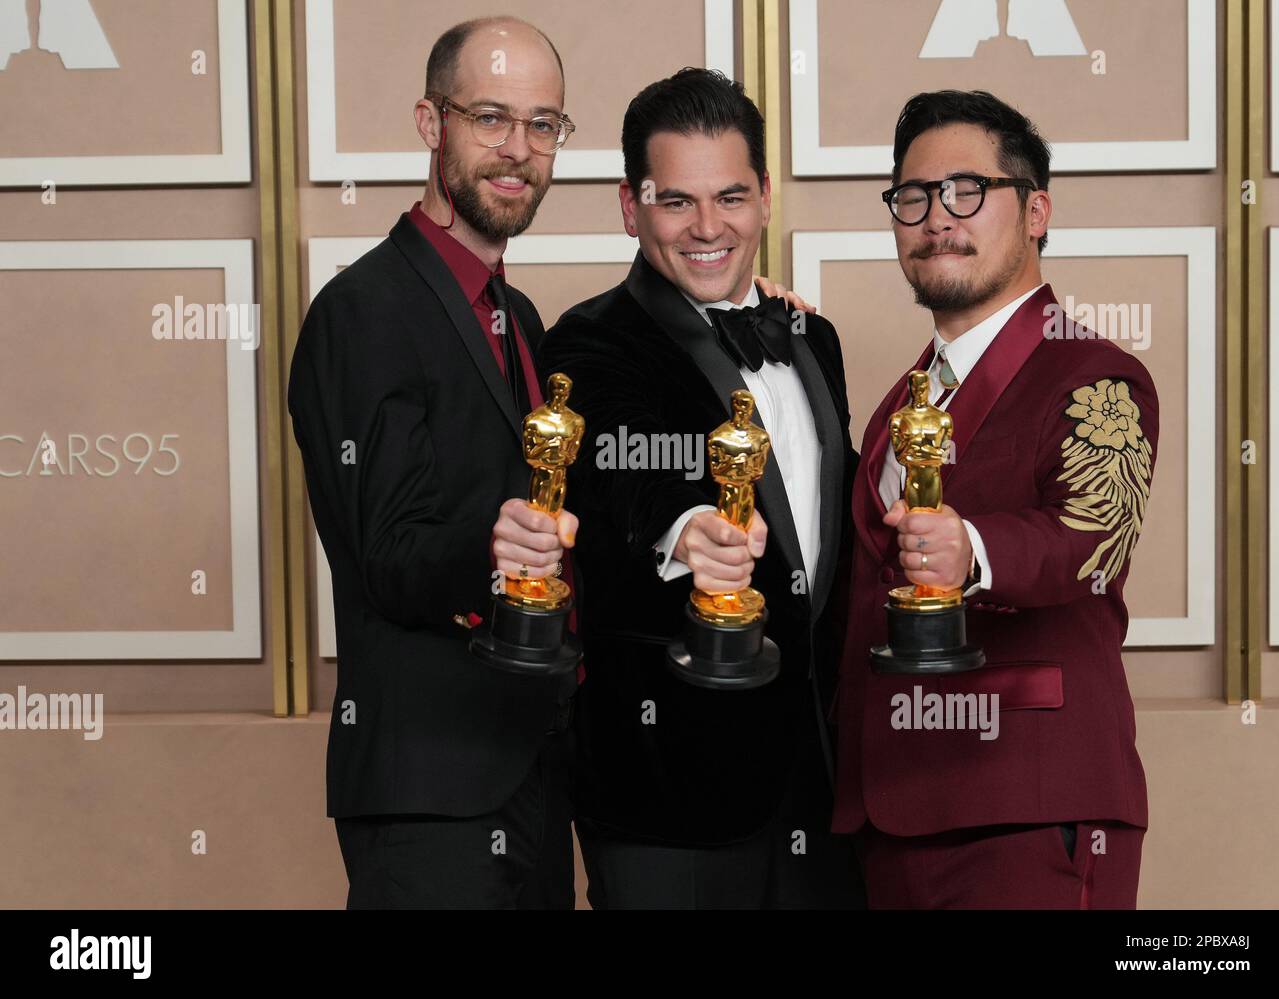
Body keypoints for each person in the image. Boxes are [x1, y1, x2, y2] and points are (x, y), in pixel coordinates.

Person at [539, 68, 866, 909]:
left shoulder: (811, 336)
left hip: (824, 784)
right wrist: (689, 527)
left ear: (765, 195)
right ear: (630, 206)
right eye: (676, 201)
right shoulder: (591, 340)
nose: (708, 227)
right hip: (666, 798)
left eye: (730, 196)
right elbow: (616, 459)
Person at [833, 89, 1157, 908]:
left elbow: (1090, 538)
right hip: (888, 817)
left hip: (1027, 812)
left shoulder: (1095, 372)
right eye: (914, 197)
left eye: (967, 191)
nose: (938, 216)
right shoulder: (901, 403)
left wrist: (971, 549)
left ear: (1037, 209)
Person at [288, 16, 584, 909]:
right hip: (429, 791)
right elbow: (385, 555)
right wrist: (493, 544)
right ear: (431, 122)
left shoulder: (521, 317)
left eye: (543, 125)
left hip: (532, 771)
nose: (518, 149)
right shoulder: (363, 311)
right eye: (490, 116)